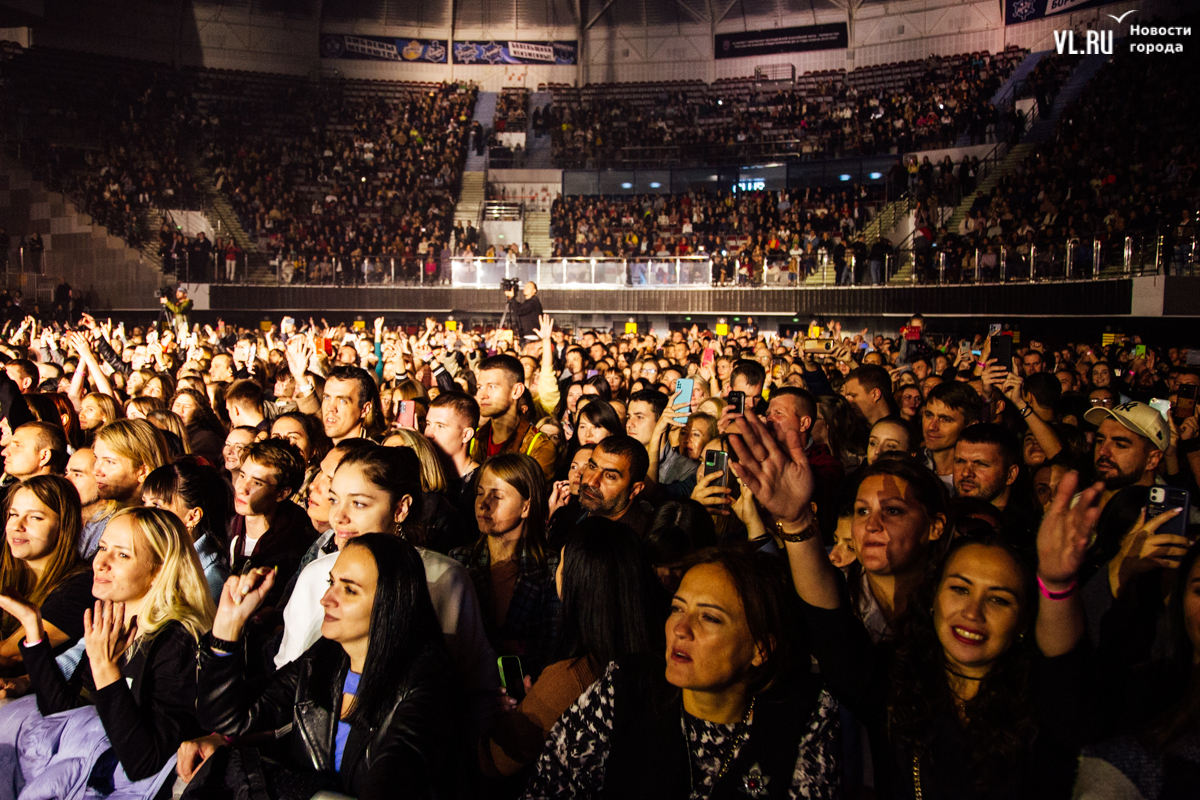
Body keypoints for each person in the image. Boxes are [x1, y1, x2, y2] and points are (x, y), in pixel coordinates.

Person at [731, 402, 1097, 798]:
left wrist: (1058, 583)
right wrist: (798, 522)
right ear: (935, 598)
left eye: (999, 600)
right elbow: (830, 628)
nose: (972, 613)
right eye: (959, 589)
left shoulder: (1040, 707)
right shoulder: (900, 688)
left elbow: (1065, 671)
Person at [522, 547, 840, 799]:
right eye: (677, 608)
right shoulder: (625, 687)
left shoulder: (803, 711)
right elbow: (549, 789)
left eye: (710, 618)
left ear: (761, 649)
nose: (681, 629)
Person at [179, 535, 456, 799]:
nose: (326, 599)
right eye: (331, 582)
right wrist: (228, 626)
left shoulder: (426, 680)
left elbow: (394, 778)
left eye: (349, 590)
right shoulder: (327, 656)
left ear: (392, 603)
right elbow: (231, 718)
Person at [271, 444, 497, 739]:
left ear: (400, 508)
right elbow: (288, 679)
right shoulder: (315, 575)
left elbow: (474, 686)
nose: (339, 517)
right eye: (334, 500)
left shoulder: (444, 578)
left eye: (359, 504)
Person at [0, 507, 214, 788]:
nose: (101, 562)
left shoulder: (177, 639)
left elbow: (143, 762)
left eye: (123, 554)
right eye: (102, 547)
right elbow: (64, 714)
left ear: (158, 570)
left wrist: (106, 671)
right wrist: (32, 626)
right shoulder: (114, 620)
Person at [480, 519, 663, 778]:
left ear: (573, 584)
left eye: (562, 564)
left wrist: (519, 714)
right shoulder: (656, 658)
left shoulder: (572, 677)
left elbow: (494, 761)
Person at [451, 452, 559, 678]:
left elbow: (552, 647)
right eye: (479, 493)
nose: (483, 504)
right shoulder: (459, 560)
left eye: (497, 496)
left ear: (526, 506)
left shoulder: (550, 568)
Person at [0, 476, 92, 669]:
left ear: (64, 525)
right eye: (13, 514)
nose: (17, 526)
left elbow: (9, 656)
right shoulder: (7, 572)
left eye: (34, 517)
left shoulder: (80, 587)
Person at [226, 438, 317, 602]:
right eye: (242, 475)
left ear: (282, 493)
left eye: (256, 482)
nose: (242, 489)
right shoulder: (225, 527)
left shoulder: (297, 550)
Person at [142, 459, 233, 601]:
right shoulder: (151, 555)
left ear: (193, 517)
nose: (146, 513)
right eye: (144, 502)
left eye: (157, 506)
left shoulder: (211, 581)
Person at [82, 419, 171, 557]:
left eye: (109, 462)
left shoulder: (162, 528)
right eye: (96, 459)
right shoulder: (98, 519)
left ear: (142, 472)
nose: (96, 470)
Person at [471, 355, 557, 480]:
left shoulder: (539, 446)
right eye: (480, 387)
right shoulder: (476, 439)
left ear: (516, 391)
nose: (482, 395)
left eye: (492, 386)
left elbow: (532, 497)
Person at [1084, 400, 1168, 507]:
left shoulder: (1174, 518)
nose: (1102, 451)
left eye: (1120, 445)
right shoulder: (1074, 508)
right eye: (1100, 441)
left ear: (1152, 460)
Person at [578, 435, 650, 536]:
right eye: (592, 467)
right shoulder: (574, 512)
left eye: (610, 476)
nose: (591, 482)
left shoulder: (636, 541)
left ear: (634, 490)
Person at [922, 381, 982, 489]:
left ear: (970, 425)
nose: (931, 427)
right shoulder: (910, 465)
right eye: (929, 415)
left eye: (945, 420)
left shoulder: (977, 479)